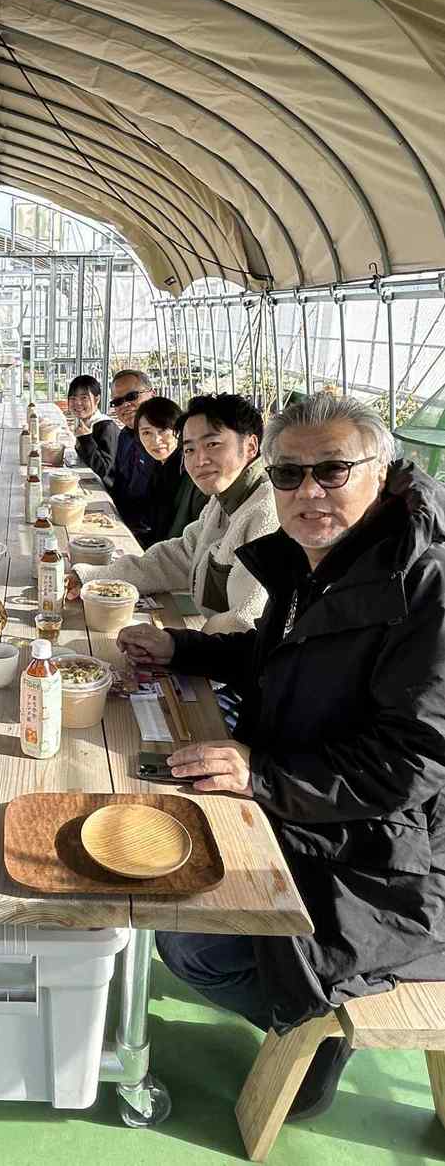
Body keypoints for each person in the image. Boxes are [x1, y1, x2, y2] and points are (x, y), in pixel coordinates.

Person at [119, 392, 445, 1121]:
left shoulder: (425, 587)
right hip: (318, 804)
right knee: (155, 822)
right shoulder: (326, 560)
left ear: (383, 470)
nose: (307, 493)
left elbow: (412, 763)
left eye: (331, 471)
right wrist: (181, 646)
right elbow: (277, 658)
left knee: (188, 934)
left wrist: (259, 776)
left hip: (394, 857)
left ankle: (312, 1025)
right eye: (288, 475)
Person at [69, 393, 277, 634]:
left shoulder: (265, 513)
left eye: (212, 444)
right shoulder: (224, 500)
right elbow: (178, 556)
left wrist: (178, 646)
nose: (199, 460)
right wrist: (91, 576)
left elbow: (245, 623)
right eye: (189, 449)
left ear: (250, 446)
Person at [128, 396, 208, 548]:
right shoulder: (158, 467)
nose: (156, 440)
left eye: (163, 429)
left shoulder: (191, 472)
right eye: (146, 433)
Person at [102, 368, 157, 522]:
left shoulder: (167, 442)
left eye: (132, 396)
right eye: (118, 402)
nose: (125, 405)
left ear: (152, 394)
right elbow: (118, 485)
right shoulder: (125, 436)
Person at [66, 374, 119, 481]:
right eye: (73, 398)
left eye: (84, 398)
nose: (78, 403)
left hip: (106, 493)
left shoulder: (106, 427)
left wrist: (86, 439)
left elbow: (104, 470)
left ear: (97, 399)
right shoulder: (87, 424)